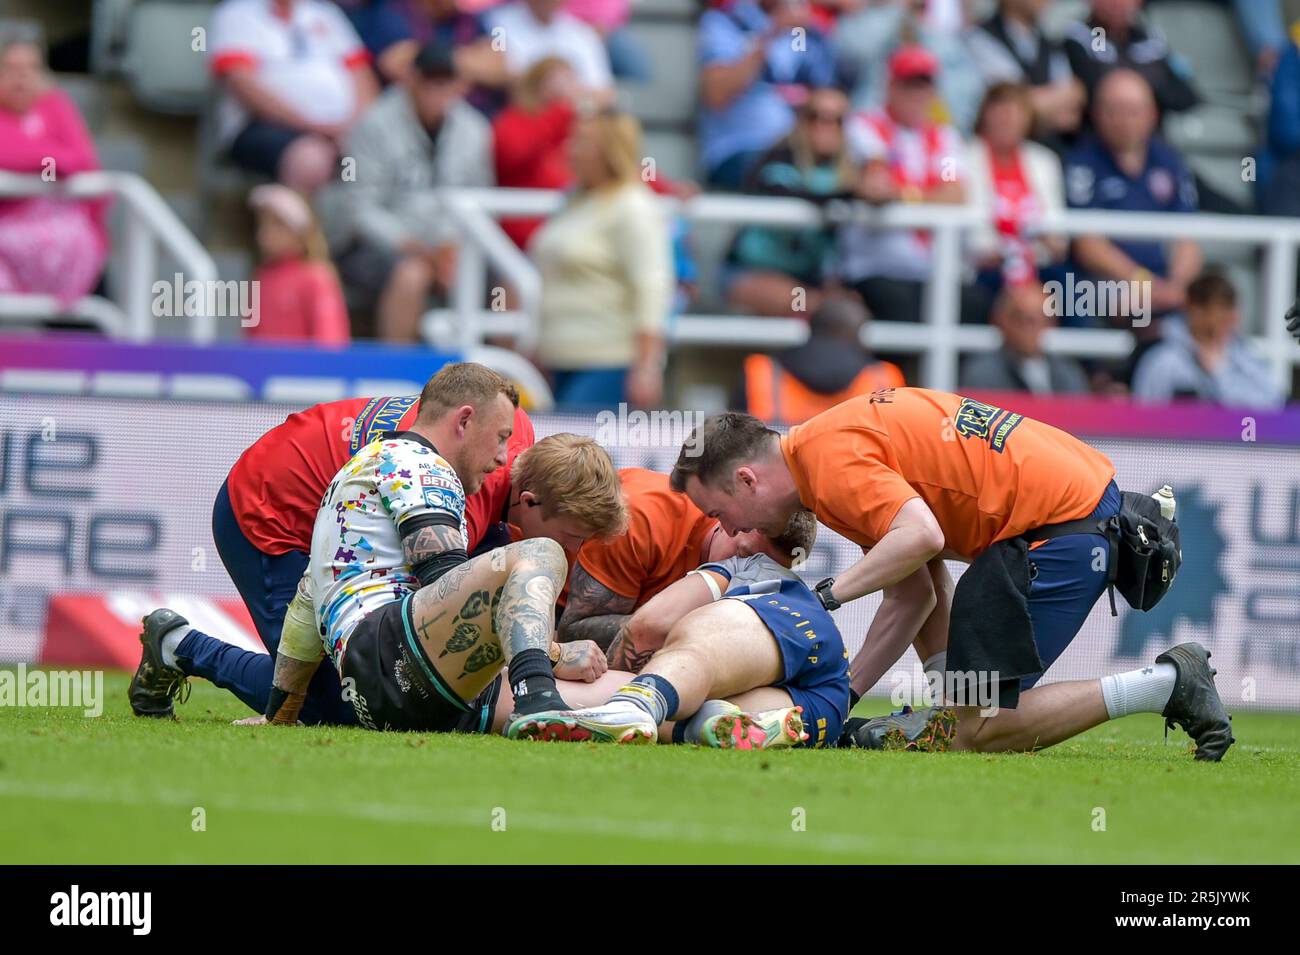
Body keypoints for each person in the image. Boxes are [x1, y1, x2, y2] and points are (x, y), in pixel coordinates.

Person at [668, 395, 1234, 761]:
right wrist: (844, 697)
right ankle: (948, 711)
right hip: (1064, 514)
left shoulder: (826, 465)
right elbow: (916, 588)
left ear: (746, 480)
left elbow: (921, 538)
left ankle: (1165, 683)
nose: (734, 534)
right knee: (961, 708)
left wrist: (827, 596)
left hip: (1063, 528)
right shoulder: (823, 446)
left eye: (719, 515)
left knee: (980, 729)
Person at [509, 511, 853, 750]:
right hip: (820, 707)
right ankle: (722, 724)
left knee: (685, 658)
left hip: (783, 632)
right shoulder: (772, 569)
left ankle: (633, 705)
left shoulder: (744, 564)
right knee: (694, 710)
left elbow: (648, 627)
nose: (741, 554)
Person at [320, 41, 493, 342]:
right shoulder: (373, 124)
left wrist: (451, 248)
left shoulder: (474, 129)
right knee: (411, 275)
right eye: (429, 79)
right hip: (376, 245)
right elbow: (359, 208)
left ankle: (505, 381)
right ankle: (399, 380)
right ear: (412, 78)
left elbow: (481, 201)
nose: (436, 89)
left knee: (506, 280)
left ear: (459, 84)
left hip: (449, 245)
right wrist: (415, 247)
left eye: (445, 80)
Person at [530, 112, 672, 408]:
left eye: (582, 140)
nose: (570, 148)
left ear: (608, 149)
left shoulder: (633, 205)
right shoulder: (573, 200)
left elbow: (652, 286)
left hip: (608, 361)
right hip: (558, 359)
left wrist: (647, 367)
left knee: (576, 452)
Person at [837, 45, 967, 324]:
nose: (917, 94)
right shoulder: (865, 125)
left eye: (924, 85)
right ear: (891, 86)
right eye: (909, 85)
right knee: (899, 310)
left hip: (930, 269)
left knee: (972, 304)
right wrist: (927, 196)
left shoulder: (943, 135)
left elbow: (955, 194)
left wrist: (904, 194)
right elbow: (876, 186)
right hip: (875, 266)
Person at [1064, 69, 1201, 329]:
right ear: (1096, 113)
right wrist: (1144, 283)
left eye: (1132, 110)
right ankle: (1116, 368)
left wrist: (1177, 286)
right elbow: (1088, 246)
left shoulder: (1170, 161)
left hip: (1165, 279)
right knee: (1127, 302)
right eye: (1113, 110)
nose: (1122, 120)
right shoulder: (1082, 163)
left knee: (1209, 299)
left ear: (1152, 114)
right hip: (1106, 281)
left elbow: (1188, 239)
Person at [557, 467, 747, 652]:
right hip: (554, 603)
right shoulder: (642, 524)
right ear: (730, 523)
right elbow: (572, 631)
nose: (741, 571)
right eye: (742, 554)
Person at [208, 0, 379, 194]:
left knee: (380, 152)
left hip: (342, 130)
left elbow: (362, 75)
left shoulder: (327, 13)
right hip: (264, 125)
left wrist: (356, 129)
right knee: (311, 161)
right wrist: (318, 128)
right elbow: (243, 85)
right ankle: (302, 224)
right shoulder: (235, 14)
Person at [0, 23, 108, 306]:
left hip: (69, 249)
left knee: (99, 297)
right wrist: (51, 157)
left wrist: (45, 159)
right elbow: (10, 152)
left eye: (31, 68)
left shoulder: (55, 105)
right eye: (11, 68)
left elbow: (83, 161)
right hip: (7, 245)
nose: (21, 77)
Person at [725, 86, 855, 319]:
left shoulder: (848, 169)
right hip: (752, 272)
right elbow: (791, 195)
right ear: (802, 120)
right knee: (813, 307)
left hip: (811, 278)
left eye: (837, 120)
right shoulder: (779, 158)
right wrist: (851, 194)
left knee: (851, 309)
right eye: (816, 116)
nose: (826, 126)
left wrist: (876, 193)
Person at [697, 0, 838, 189]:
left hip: (798, 150)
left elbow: (829, 99)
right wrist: (773, 32)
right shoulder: (724, 21)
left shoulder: (808, 31)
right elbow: (716, 95)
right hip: (738, 150)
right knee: (778, 174)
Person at [964, 81, 1067, 314]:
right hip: (986, 269)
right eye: (1000, 110)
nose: (1007, 119)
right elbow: (973, 238)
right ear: (984, 115)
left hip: (1038, 265)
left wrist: (1028, 252)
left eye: (1015, 112)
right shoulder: (963, 157)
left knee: (1076, 294)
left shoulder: (1045, 161)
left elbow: (1058, 239)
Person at [737, 298, 906, 423]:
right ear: (858, 335)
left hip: (781, 468)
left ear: (811, 328)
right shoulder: (884, 377)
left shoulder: (762, 372)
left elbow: (734, 446)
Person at [1131, 271, 1284, 408]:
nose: (1232, 318)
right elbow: (1145, 418)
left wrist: (1219, 373)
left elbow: (1273, 404)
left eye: (1232, 309)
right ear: (1195, 310)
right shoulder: (1163, 361)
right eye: (1222, 308)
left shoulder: (1243, 355)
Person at [965, 0, 1086, 153]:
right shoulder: (980, 38)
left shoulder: (1049, 41)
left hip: (1050, 154)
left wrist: (1034, 105)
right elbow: (1013, 102)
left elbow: (1073, 105)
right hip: (999, 155)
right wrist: (1045, 105)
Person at [244, 184, 350, 345]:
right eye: (262, 223)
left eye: (278, 224)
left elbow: (330, 342)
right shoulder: (260, 277)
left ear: (301, 232)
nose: (265, 232)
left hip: (302, 370)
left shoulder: (316, 277)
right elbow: (250, 339)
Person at [492, 57, 580, 250]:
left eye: (570, 81)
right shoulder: (513, 120)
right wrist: (559, 112)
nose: (565, 89)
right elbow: (512, 157)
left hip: (573, 234)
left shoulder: (581, 128)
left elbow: (615, 164)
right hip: (522, 238)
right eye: (556, 82)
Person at [1062, 0, 1199, 121]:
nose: (1117, 2)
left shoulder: (1150, 38)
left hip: (1150, 138)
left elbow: (1185, 97)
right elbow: (1098, 93)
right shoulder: (1079, 38)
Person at [961, 283, 1089, 395]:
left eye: (1041, 319)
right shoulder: (982, 374)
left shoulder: (1068, 372)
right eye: (1022, 319)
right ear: (1000, 320)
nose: (1030, 328)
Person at [486, 0, 614, 99]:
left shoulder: (584, 35)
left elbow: (604, 92)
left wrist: (570, 95)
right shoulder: (498, 25)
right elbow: (496, 71)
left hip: (572, 119)